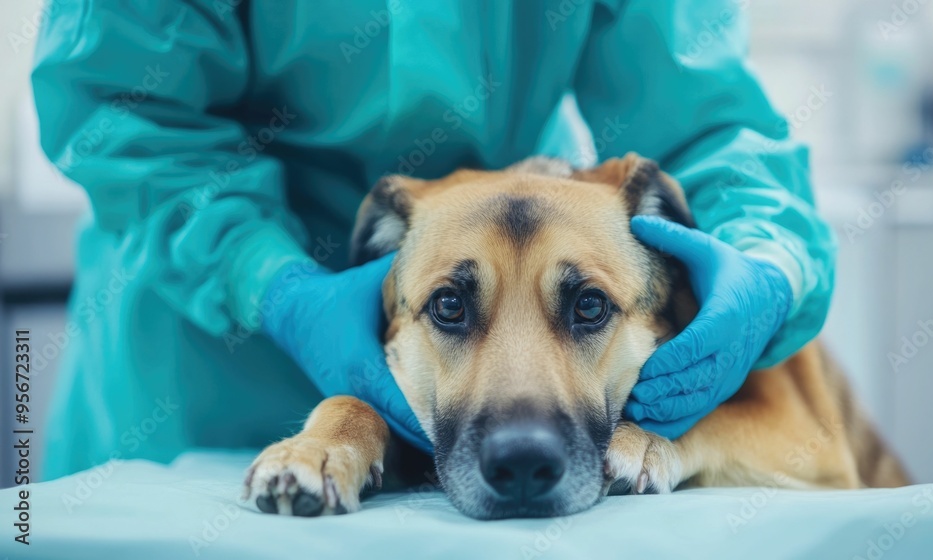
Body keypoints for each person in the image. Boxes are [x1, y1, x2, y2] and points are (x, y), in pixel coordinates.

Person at [32, 0, 835, 479]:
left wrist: (770, 258)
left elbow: (703, 109)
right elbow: (121, 104)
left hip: (525, 243)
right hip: (202, 362)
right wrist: (268, 281)